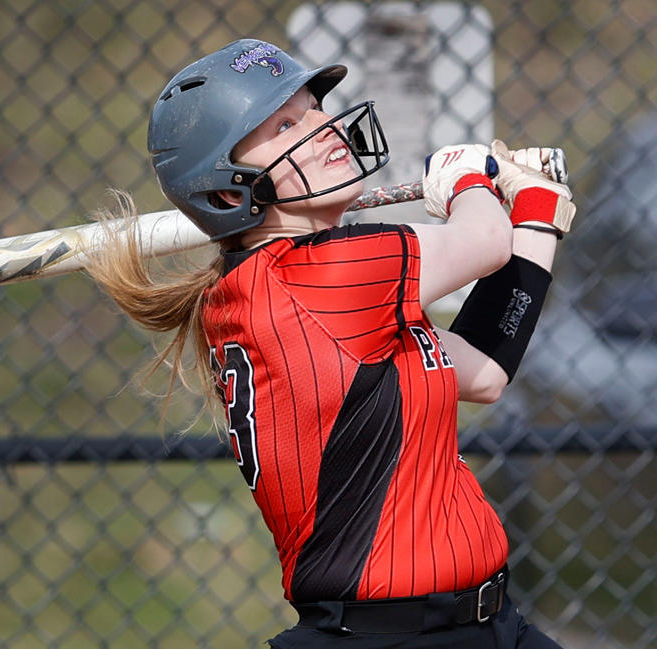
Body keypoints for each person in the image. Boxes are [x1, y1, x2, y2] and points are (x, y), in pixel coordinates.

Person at [87, 39, 576, 648]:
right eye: (285, 125)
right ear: (225, 191)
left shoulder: (311, 293)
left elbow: (482, 374)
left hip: (488, 627)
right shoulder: (323, 278)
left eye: (313, 109)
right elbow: (483, 243)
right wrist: (465, 174)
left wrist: (536, 214)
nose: (322, 127)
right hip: (386, 638)